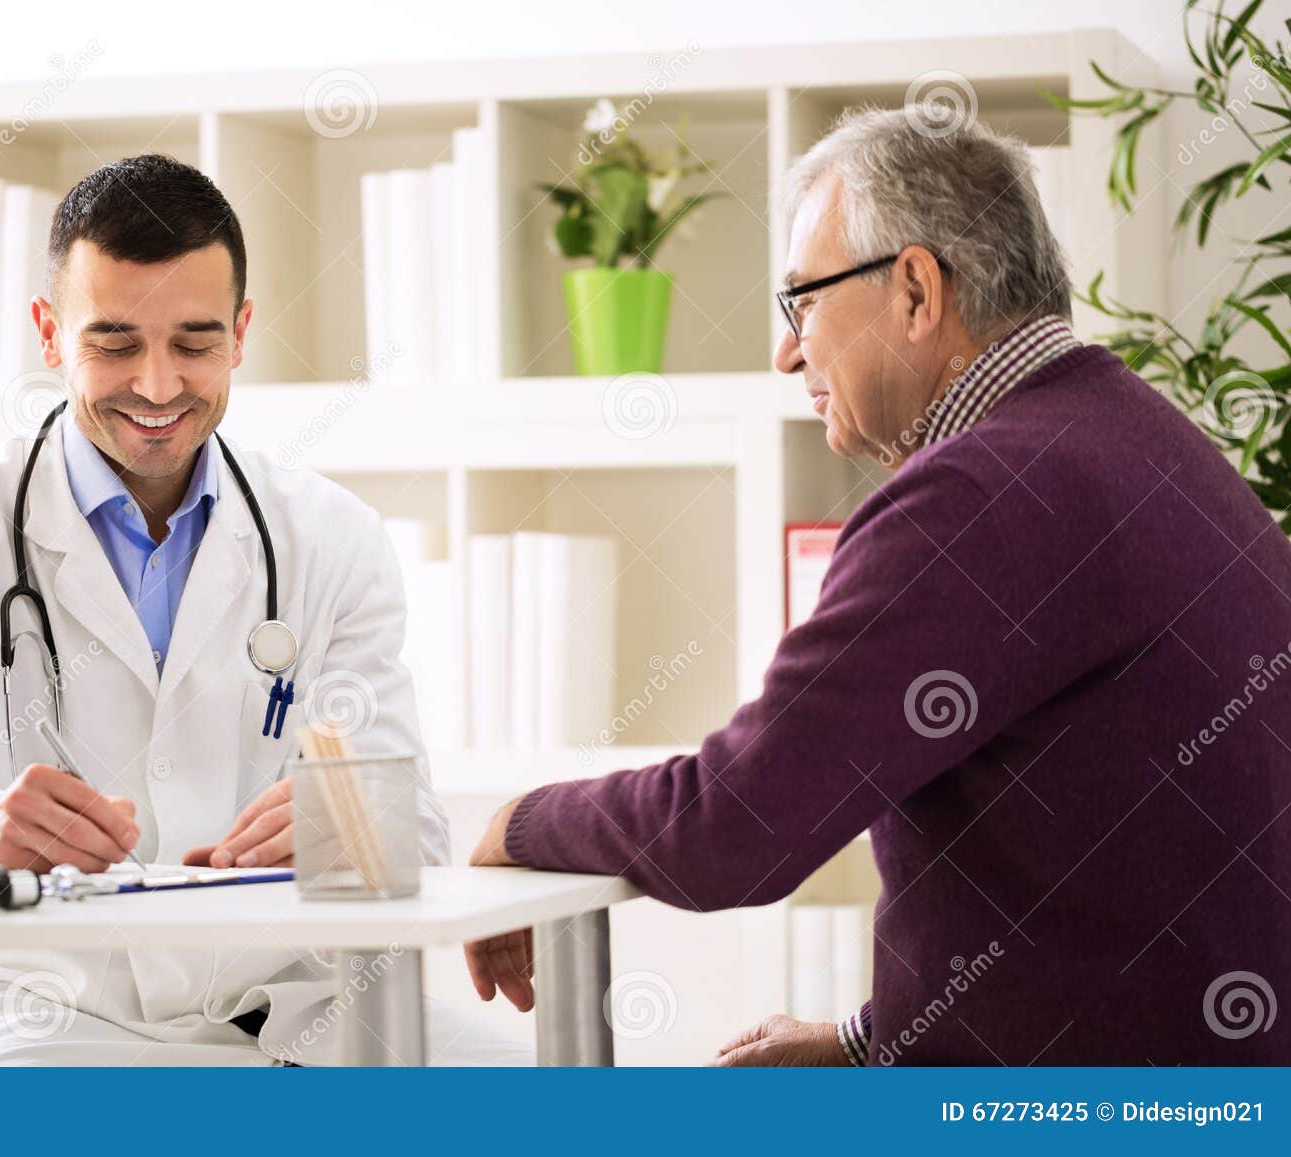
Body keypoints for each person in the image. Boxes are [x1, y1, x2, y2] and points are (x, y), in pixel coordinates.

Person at [462, 106, 1291, 1065]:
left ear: (914, 290)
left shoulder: (983, 493)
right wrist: (868, 1039)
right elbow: (1109, 867)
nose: (786, 352)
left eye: (801, 302)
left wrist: (517, 822)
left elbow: (737, 826)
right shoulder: (1137, 436)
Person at [0, 154, 524, 1067]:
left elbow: (412, 823)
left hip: (298, 1008)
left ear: (242, 331)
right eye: (112, 342)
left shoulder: (333, 539)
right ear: (49, 334)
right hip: (36, 1012)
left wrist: (346, 820)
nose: (155, 385)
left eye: (193, 342)